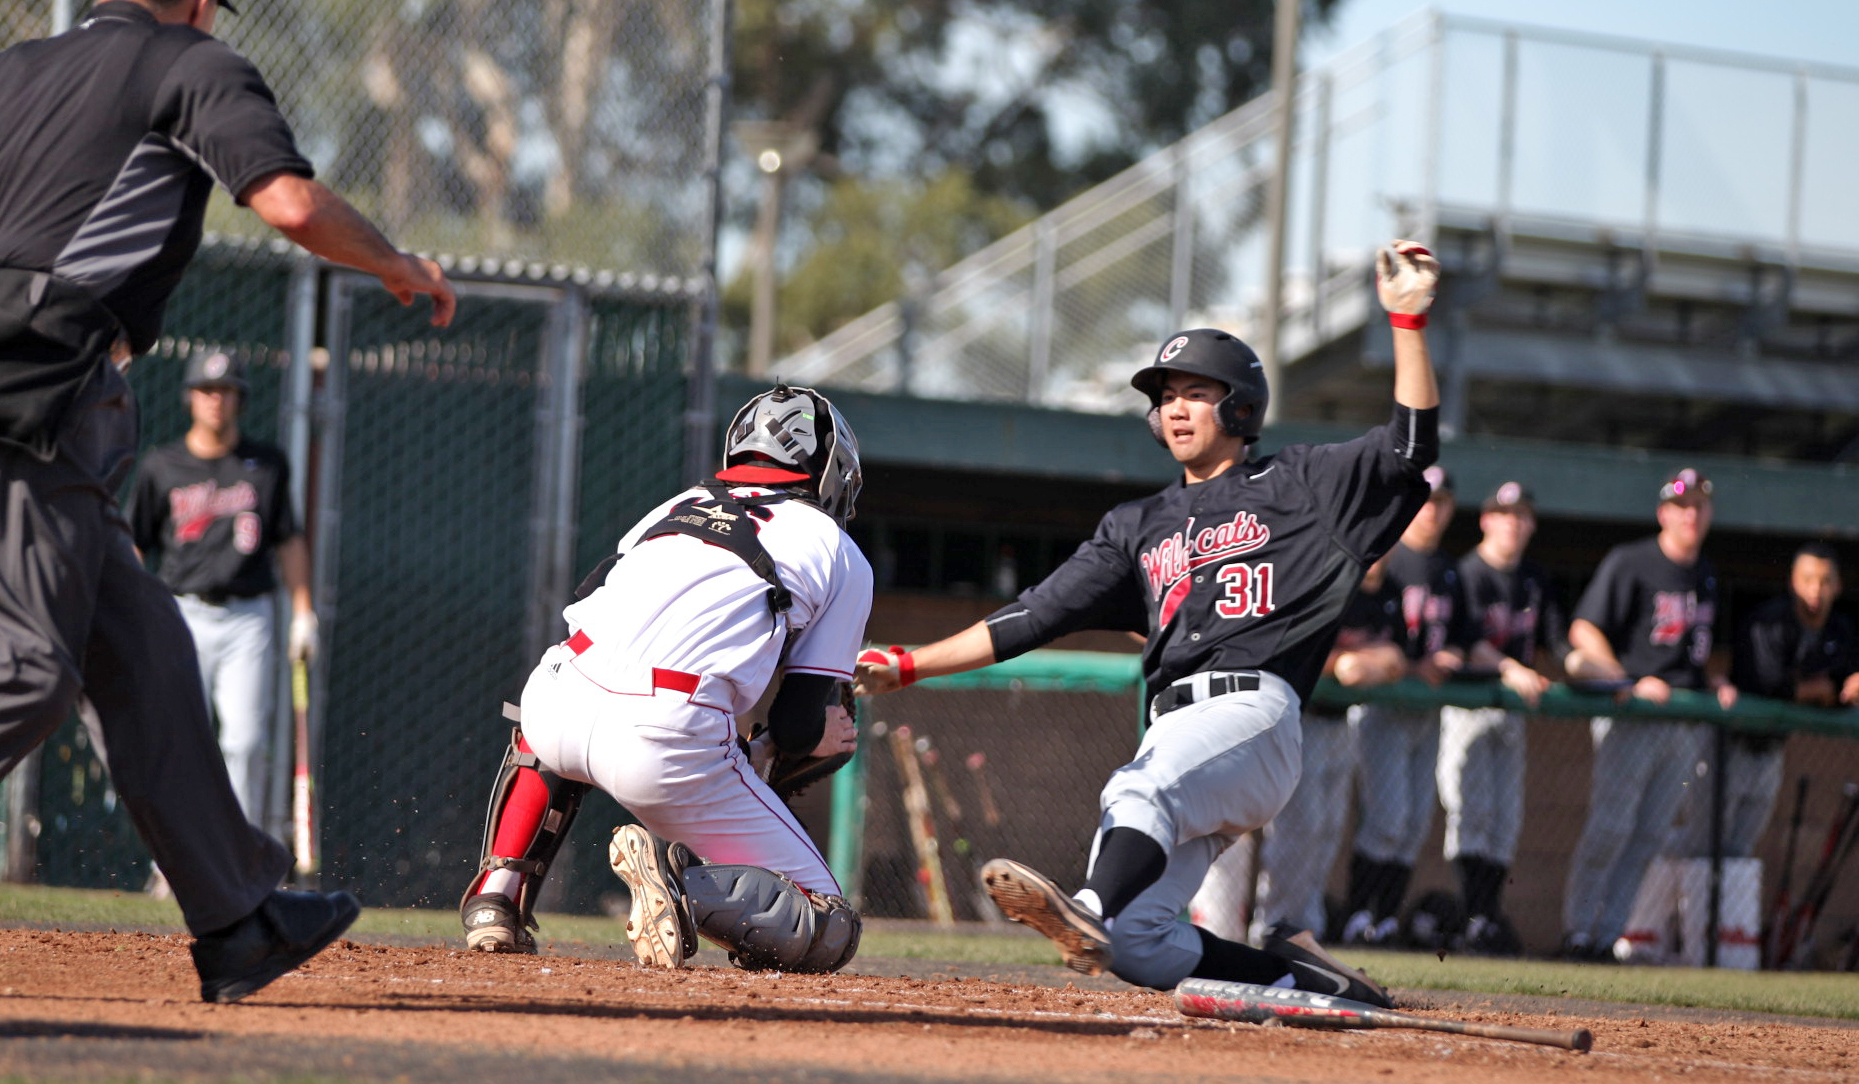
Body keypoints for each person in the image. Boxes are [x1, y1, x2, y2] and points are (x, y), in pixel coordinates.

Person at [0, 0, 455, 1002]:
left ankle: (238, 915)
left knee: (144, 642)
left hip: (30, 379)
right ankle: (238, 911)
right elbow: (288, 203)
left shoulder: (19, 68)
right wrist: (394, 260)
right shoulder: (189, 62)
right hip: (41, 386)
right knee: (32, 671)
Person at [857, 240, 1445, 1006]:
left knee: (1138, 795)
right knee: (1139, 945)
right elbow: (1032, 616)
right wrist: (911, 665)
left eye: (1196, 392)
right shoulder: (1136, 525)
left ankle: (1088, 907)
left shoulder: (1301, 484)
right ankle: (1300, 978)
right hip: (1174, 727)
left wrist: (1405, 321)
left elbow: (1409, 448)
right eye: (1163, 395)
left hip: (1252, 714)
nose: (1173, 407)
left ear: (1240, 407)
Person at [458, 384, 869, 975]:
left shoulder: (678, 503)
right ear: (830, 472)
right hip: (667, 737)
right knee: (830, 925)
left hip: (558, 694)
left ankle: (498, 896)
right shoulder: (840, 551)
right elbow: (796, 724)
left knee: (560, 694)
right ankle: (684, 889)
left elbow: (599, 602)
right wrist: (805, 740)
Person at [127, 350, 317, 824]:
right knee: (176, 738)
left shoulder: (265, 465)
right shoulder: (161, 465)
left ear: (240, 400)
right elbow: (134, 544)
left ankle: (235, 863)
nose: (217, 400)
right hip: (181, 612)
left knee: (245, 742)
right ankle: (171, 864)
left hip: (247, 617)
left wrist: (303, 611)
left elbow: (289, 541)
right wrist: (133, 611)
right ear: (190, 397)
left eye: (227, 391)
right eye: (208, 390)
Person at [1559, 468, 1737, 962]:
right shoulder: (1632, 561)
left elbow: (1688, 655)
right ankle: (1577, 932)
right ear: (1664, 513)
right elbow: (1583, 631)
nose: (1691, 514)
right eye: (1682, 506)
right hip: (1633, 716)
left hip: (1681, 723)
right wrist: (1628, 681)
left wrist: (1714, 681)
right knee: (1611, 827)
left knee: (1649, 835)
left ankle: (1607, 935)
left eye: (1700, 506)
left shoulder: (1706, 573)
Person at [1190, 551, 1408, 945]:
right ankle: (1273, 926)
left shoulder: (1391, 591)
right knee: (1296, 828)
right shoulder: (1329, 578)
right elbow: (1298, 649)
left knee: (1326, 831)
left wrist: (1371, 662)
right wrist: (1348, 662)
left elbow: (1397, 659)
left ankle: (1301, 927)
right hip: (1298, 719)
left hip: (1342, 722)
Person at [1339, 463, 1471, 947]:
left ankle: (1387, 917)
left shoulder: (1449, 569)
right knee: (1387, 819)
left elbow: (1463, 638)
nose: (1431, 511)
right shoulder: (1388, 562)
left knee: (1414, 823)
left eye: (1439, 502)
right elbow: (1376, 643)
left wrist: (1453, 655)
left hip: (1427, 710)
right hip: (1382, 707)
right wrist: (1415, 667)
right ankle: (1359, 914)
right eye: (1424, 500)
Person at [1434, 481, 1564, 955]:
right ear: (1487, 519)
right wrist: (1510, 668)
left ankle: (1487, 918)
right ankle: (1472, 915)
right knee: (1471, 813)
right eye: (1505, 514)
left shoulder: (1533, 578)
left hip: (1512, 712)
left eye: (1522, 515)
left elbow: (1558, 640)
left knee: (1505, 819)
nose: (1514, 523)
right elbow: (1466, 639)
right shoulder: (1465, 571)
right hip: (1469, 706)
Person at [1702, 543, 1858, 856]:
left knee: (1740, 849)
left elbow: (1845, 685)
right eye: (1808, 579)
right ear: (1793, 582)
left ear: (1837, 586)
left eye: (1825, 581)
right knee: (1700, 845)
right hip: (1726, 746)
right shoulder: (1769, 621)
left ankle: (1723, 906)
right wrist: (1821, 690)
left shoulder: (1840, 630)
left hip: (1771, 749)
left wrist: (1832, 687)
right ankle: (1665, 906)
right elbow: (1766, 685)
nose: (1816, 590)